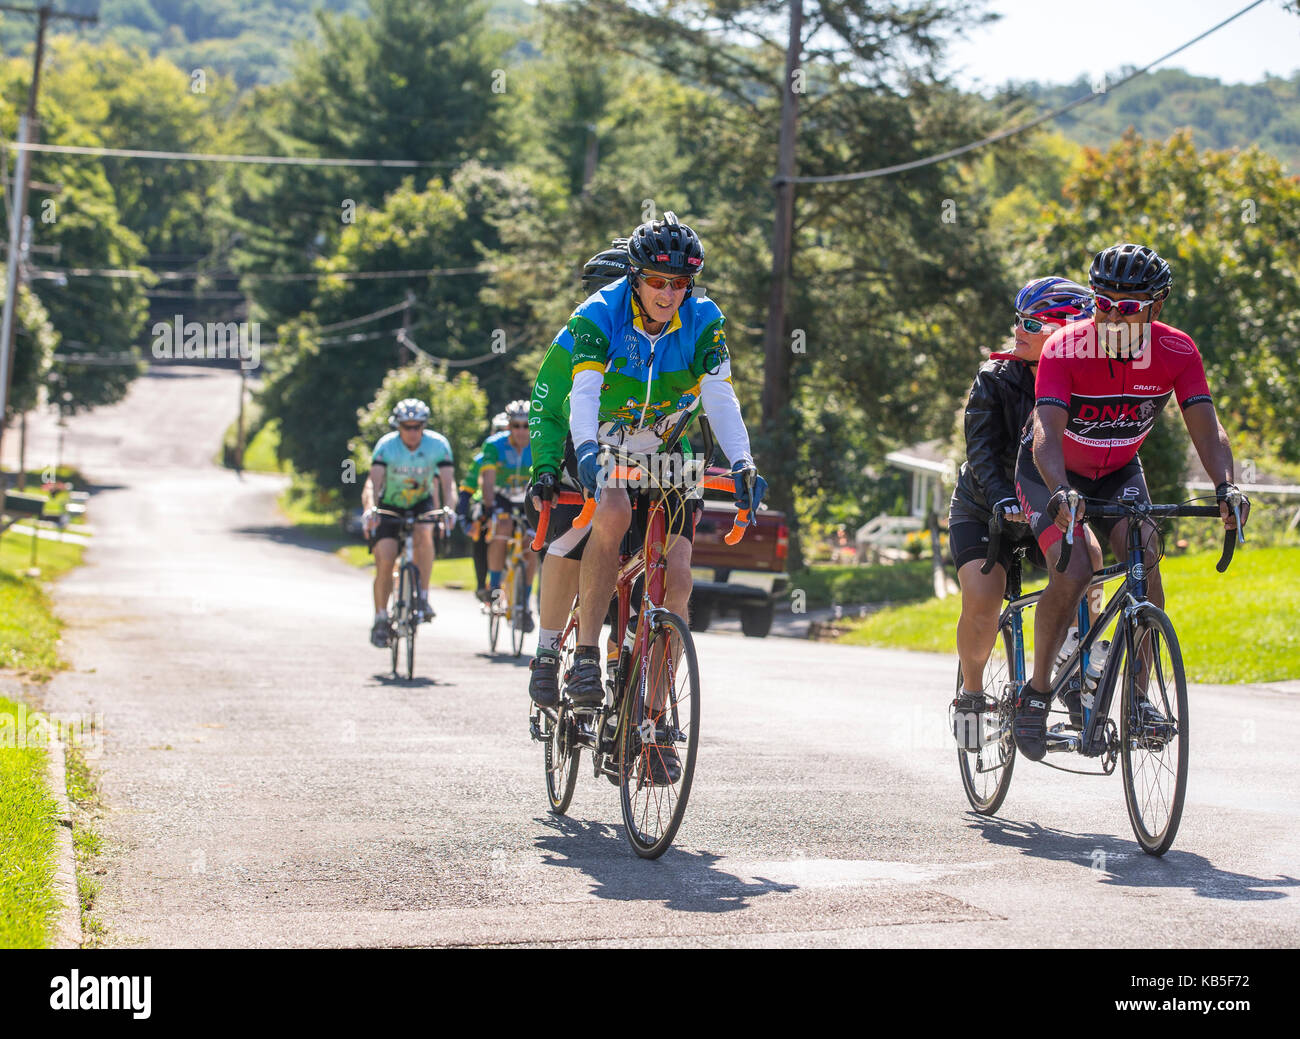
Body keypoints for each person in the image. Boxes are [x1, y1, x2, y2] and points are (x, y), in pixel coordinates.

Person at [1011, 243, 1248, 761]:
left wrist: (1225, 485)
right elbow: (1047, 431)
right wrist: (1057, 493)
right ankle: (1038, 690)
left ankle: (1138, 700)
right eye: (1103, 302)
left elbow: (1207, 430)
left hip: (1119, 472)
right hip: (1049, 472)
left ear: (1156, 306)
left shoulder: (1177, 351)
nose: (1114, 315)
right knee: (1076, 568)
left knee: (1146, 556)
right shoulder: (1064, 348)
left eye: (1129, 306)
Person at [559, 211, 767, 783]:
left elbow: (721, 395)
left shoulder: (704, 322)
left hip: (671, 458)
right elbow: (583, 391)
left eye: (680, 283)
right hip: (605, 446)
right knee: (617, 510)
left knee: (678, 576)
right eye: (657, 281)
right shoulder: (599, 314)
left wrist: (744, 460)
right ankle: (582, 661)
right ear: (635, 276)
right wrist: (583, 451)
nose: (669, 293)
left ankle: (652, 720)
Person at [949, 277, 1097, 747]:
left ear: (1064, 331)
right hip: (983, 507)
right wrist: (1001, 500)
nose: (1018, 329)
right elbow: (983, 454)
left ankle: (1072, 664)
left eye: (1031, 323)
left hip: (1045, 507)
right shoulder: (995, 377)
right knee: (984, 603)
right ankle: (972, 695)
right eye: (1018, 319)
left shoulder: (1083, 380)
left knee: (1085, 565)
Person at [525, 239, 635, 708]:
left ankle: (632, 665)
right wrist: (546, 466)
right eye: (601, 289)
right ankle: (548, 653)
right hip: (586, 449)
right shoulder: (576, 333)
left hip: (647, 457)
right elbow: (547, 408)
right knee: (573, 536)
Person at [361, 399, 456, 647]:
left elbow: (448, 484)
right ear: (398, 426)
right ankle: (381, 617)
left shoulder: (438, 445)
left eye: (417, 426)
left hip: (421, 502)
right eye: (407, 426)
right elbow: (372, 483)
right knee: (386, 557)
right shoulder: (386, 446)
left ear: (424, 426)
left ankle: (422, 597)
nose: (412, 432)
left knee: (425, 531)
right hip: (389, 505)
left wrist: (450, 509)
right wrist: (370, 507)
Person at [479, 399, 537, 629]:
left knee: (531, 542)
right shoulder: (494, 445)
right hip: (501, 497)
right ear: (509, 425)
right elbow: (488, 479)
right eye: (516, 425)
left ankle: (523, 602)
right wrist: (490, 504)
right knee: (501, 530)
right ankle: (494, 591)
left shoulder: (537, 443)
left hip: (527, 498)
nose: (522, 431)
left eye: (526, 425)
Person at [457, 412, 509, 602]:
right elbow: (467, 490)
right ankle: (481, 583)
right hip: (486, 502)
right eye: (501, 432)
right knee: (480, 530)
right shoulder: (481, 459)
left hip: (512, 503)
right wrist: (463, 517)